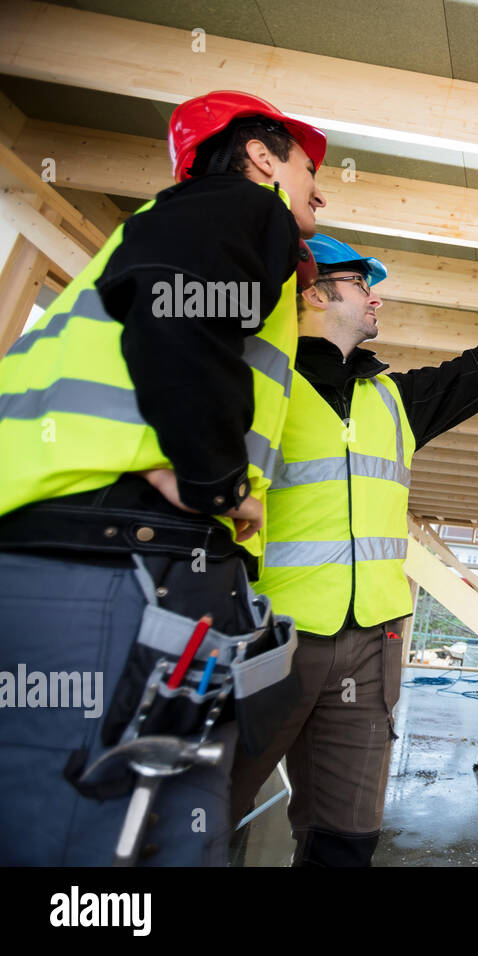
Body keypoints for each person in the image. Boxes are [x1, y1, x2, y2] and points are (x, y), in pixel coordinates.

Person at [0, 90, 326, 865]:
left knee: (148, 831)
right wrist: (213, 479)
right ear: (260, 158)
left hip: (96, 556)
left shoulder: (184, 228)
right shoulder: (237, 207)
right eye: (309, 168)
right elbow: (174, 312)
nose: (322, 187)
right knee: (88, 841)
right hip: (108, 560)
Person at [229, 233, 478, 866]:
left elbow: (475, 375)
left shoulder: (392, 400)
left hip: (370, 645)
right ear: (314, 293)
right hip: (270, 638)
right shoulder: (260, 386)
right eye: (362, 286)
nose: (377, 300)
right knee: (206, 809)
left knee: (346, 834)